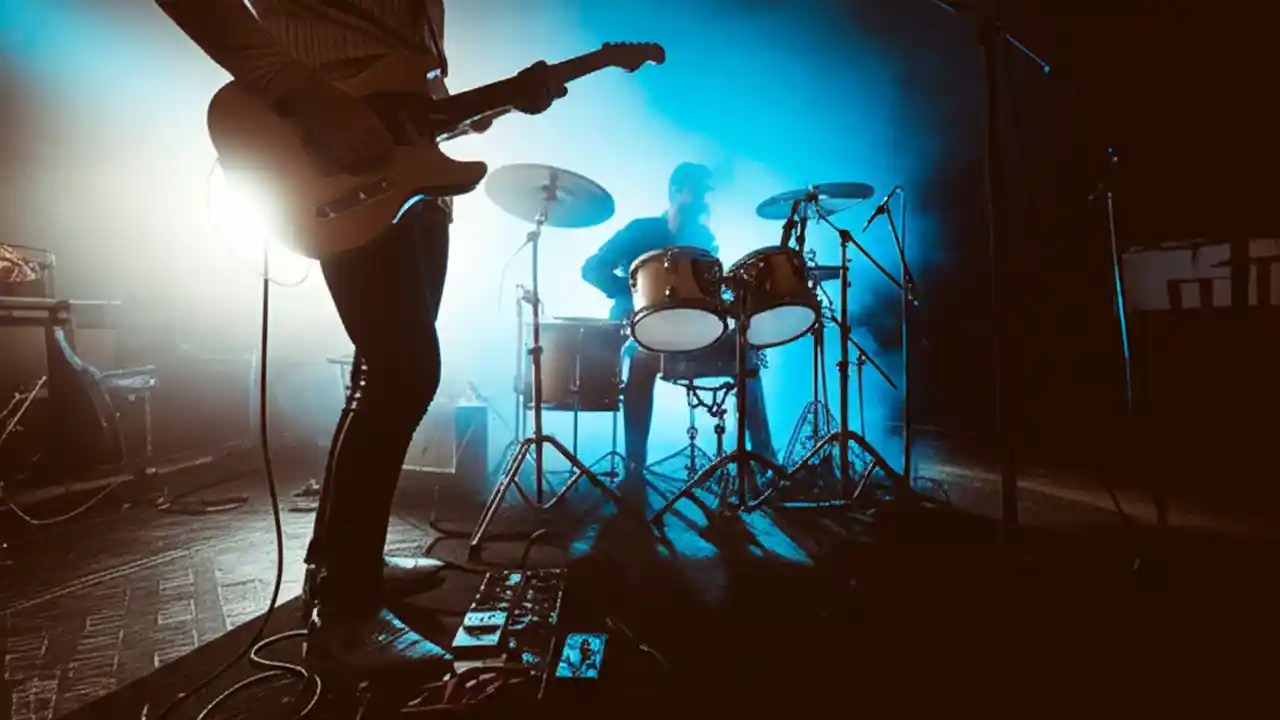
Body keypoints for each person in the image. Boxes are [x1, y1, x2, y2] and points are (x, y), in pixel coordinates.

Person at [156, 0, 565, 670]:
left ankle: (347, 565)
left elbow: (403, 103)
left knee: (384, 372)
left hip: (404, 177)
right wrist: (304, 92)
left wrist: (493, 103)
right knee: (403, 373)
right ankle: (347, 615)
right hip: (329, 152)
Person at [581, 163, 775, 484]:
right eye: (696, 192)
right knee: (638, 357)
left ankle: (763, 461)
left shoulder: (704, 238)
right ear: (674, 190)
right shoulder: (640, 231)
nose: (702, 201)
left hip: (695, 335)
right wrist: (633, 298)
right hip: (648, 334)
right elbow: (591, 269)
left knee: (747, 354)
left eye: (705, 194)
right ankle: (634, 467)